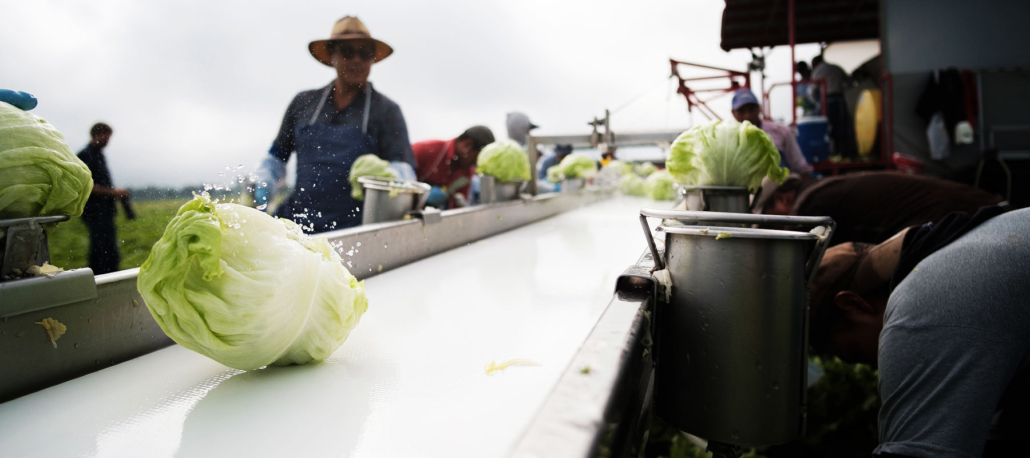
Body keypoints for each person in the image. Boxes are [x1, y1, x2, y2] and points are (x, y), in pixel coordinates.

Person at [808, 205, 1028, 457]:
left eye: (855, 352)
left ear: (854, 305)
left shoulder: (925, 304)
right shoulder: (957, 250)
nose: (875, 367)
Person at [254, 16, 416, 232]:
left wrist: (389, 177)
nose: (356, 60)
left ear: (372, 59)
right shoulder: (303, 102)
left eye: (365, 53)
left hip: (354, 229)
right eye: (347, 52)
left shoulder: (386, 110)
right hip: (295, 224)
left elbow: (405, 169)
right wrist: (263, 181)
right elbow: (277, 156)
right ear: (332, 56)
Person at [754, 171, 1006, 244]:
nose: (774, 227)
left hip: (973, 223)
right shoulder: (822, 189)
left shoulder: (810, 207)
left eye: (769, 219)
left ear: (783, 200)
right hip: (983, 208)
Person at [76, 123, 134, 275]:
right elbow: (86, 185)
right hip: (95, 211)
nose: (108, 140)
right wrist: (114, 193)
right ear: (97, 134)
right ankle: (102, 282)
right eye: (106, 136)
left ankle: (102, 280)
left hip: (105, 211)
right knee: (104, 252)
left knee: (105, 250)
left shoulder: (99, 155)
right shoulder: (86, 155)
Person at [730, 89, 814, 177]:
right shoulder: (729, 139)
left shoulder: (781, 131)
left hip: (781, 186)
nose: (747, 115)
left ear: (759, 108)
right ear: (733, 113)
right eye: (741, 111)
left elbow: (799, 165)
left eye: (751, 110)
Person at [413, 126, 495, 209]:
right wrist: (418, 193)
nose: (476, 164)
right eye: (477, 159)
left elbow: (456, 211)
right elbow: (401, 183)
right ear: (467, 145)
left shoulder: (467, 173)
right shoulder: (424, 150)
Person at [810, 55, 855, 158]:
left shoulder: (817, 71)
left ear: (814, 64)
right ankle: (844, 153)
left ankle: (831, 154)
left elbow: (812, 90)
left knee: (827, 128)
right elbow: (849, 82)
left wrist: (816, 102)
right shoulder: (836, 67)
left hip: (827, 101)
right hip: (839, 100)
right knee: (842, 127)